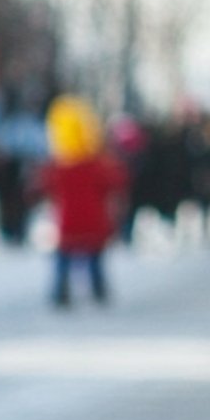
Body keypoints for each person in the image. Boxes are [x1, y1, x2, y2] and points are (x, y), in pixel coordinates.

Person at [38, 95, 127, 309]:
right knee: (95, 258)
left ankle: (61, 291)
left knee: (63, 258)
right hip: (94, 220)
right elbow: (117, 181)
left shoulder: (58, 168)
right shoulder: (97, 164)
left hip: (68, 221)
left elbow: (42, 186)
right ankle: (98, 289)